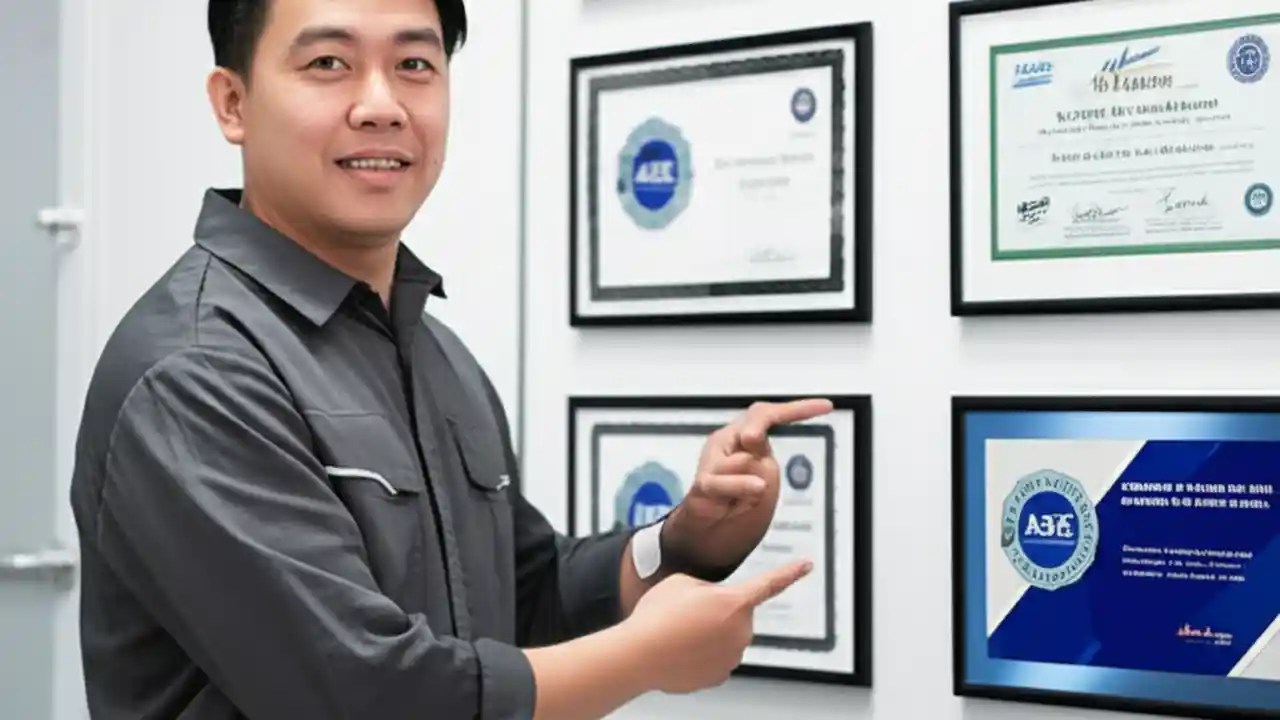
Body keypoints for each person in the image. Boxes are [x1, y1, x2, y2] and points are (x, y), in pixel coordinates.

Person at [67, 0, 833, 718]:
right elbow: (362, 691)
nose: (382, 104)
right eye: (329, 63)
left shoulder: (436, 352)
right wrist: (645, 658)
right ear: (233, 104)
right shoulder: (193, 371)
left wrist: (686, 540)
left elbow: (527, 596)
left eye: (415, 66)